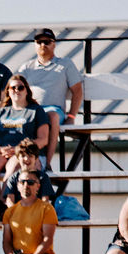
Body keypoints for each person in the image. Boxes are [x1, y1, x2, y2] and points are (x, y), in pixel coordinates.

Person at [17, 28, 84, 164]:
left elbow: (77, 91)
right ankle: (19, 161)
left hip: (53, 110)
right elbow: (15, 88)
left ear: (54, 44)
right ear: (35, 44)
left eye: (47, 42)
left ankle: (46, 164)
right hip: (31, 110)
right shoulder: (26, 67)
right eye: (39, 42)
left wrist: (71, 117)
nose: (43, 45)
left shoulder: (65, 64)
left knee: (51, 116)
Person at [0, 75, 50, 201]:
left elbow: (43, 139)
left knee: (14, 165)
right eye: (13, 88)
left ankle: (4, 203)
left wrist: (19, 149)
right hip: (4, 152)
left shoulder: (36, 111)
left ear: (27, 91)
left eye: (20, 87)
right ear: (8, 91)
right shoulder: (1, 112)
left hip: (25, 153)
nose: (16, 90)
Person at [0, 139, 56, 207]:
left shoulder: (43, 177)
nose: (26, 159)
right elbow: (10, 200)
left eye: (30, 156)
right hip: (18, 212)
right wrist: (15, 213)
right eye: (23, 156)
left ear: (36, 158)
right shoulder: (13, 178)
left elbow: (45, 200)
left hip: (37, 211)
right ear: (18, 158)